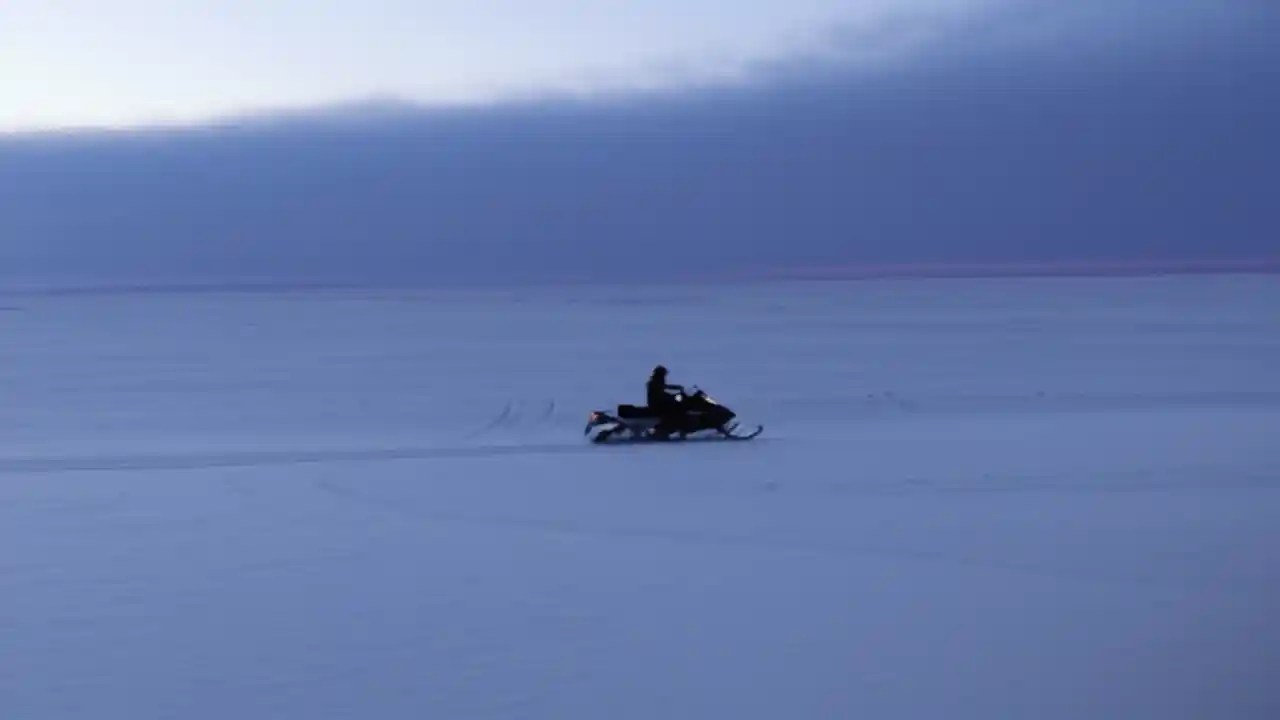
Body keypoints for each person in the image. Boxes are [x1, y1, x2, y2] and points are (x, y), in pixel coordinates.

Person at [646, 365, 685, 437]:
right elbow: (660, 393)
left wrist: (677, 388)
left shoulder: (655, 381)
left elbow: (664, 387)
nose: (665, 376)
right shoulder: (654, 383)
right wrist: (673, 396)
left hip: (659, 404)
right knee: (673, 412)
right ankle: (663, 429)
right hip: (658, 405)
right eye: (664, 374)